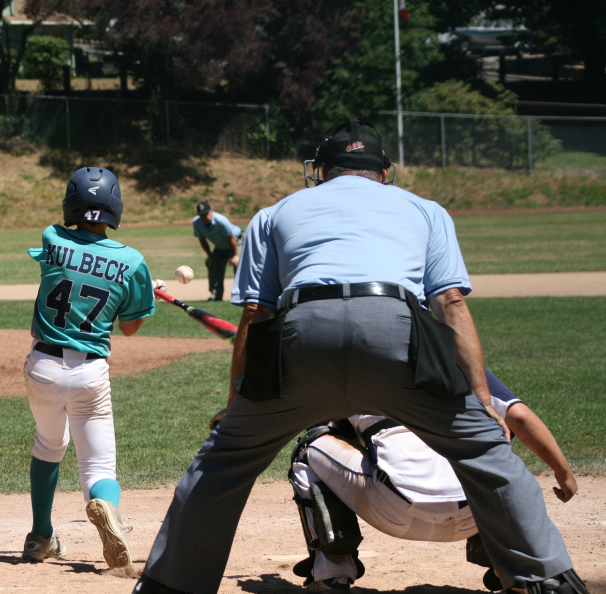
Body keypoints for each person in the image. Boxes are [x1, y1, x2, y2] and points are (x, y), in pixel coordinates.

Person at [134, 119, 590, 594]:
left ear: (323, 170)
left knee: (224, 461)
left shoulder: (274, 213)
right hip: (397, 332)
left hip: (301, 335)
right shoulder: (426, 209)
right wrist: (479, 400)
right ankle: (546, 579)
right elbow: (450, 302)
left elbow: (256, 312)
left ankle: (172, 586)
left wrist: (236, 403)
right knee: (484, 452)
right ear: (384, 171)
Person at [290, 368, 578, 592]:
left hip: (391, 511)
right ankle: (508, 564)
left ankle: (332, 573)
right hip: (475, 513)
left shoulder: (350, 368)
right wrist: (563, 473)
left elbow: (322, 422)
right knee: (490, 448)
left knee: (310, 445)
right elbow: (520, 416)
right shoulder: (458, 360)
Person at [21, 167, 156, 570]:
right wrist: (145, 291)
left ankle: (41, 536)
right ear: (115, 207)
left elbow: (77, 268)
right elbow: (130, 327)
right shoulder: (132, 261)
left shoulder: (53, 238)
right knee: (98, 466)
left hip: (43, 366)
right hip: (90, 374)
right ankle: (106, 508)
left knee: (48, 445)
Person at [192, 201, 241, 301]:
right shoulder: (197, 222)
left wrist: (234, 256)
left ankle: (241, 295)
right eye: (201, 215)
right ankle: (216, 295)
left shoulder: (220, 220)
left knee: (239, 264)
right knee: (213, 263)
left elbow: (231, 238)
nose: (204, 218)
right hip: (221, 246)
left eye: (205, 214)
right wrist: (210, 256)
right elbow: (202, 240)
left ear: (211, 211)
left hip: (237, 242)